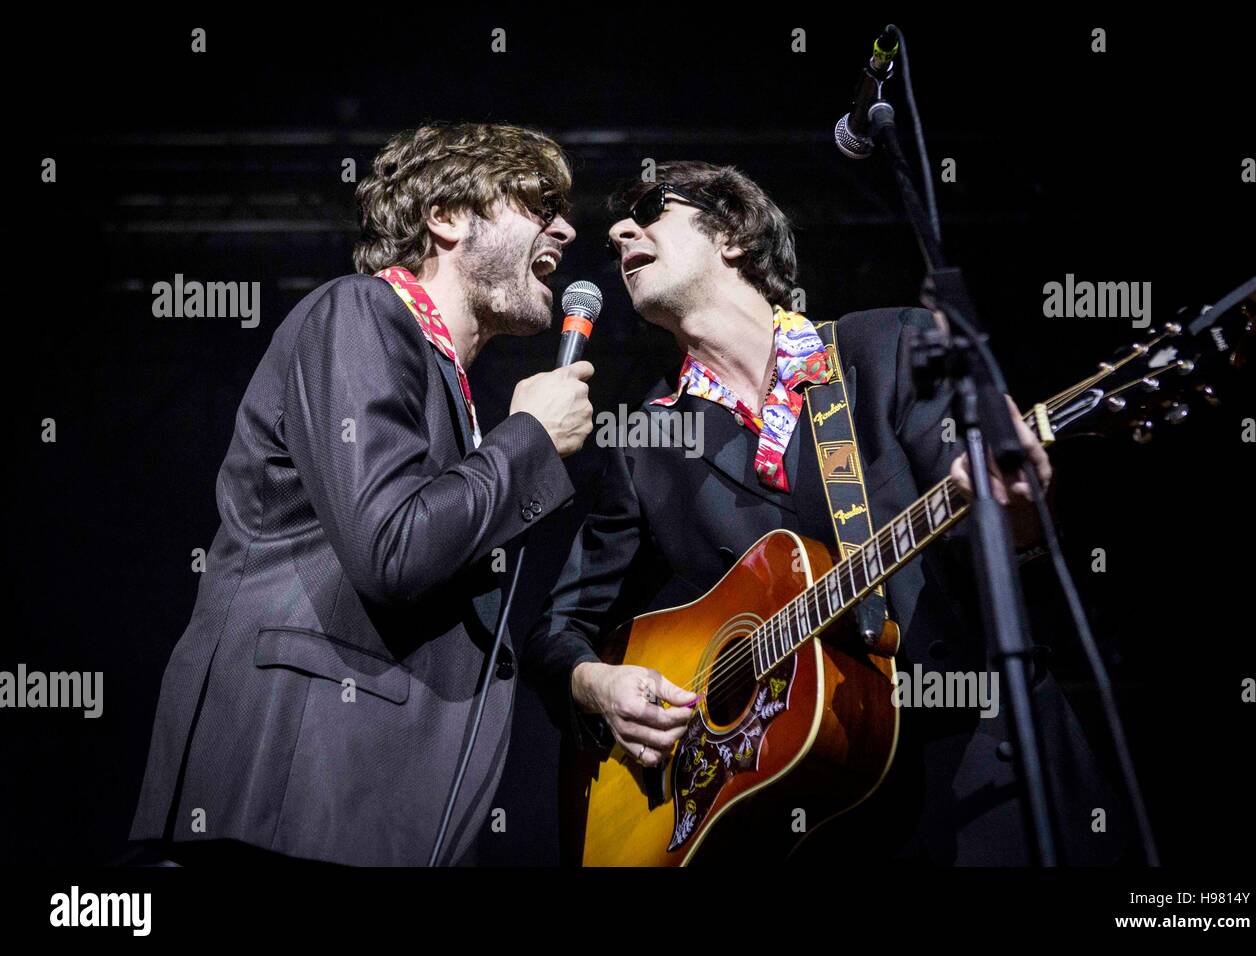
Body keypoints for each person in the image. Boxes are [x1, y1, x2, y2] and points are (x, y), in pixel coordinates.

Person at [524, 161, 1130, 865]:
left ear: (735, 236)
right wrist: (595, 685)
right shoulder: (647, 446)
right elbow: (558, 628)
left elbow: (996, 538)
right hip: (811, 818)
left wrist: (1019, 508)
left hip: (981, 769)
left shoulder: (889, 348)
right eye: (619, 227)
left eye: (653, 208)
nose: (622, 231)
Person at [130, 122, 593, 866]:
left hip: (361, 813)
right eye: (539, 203)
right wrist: (528, 436)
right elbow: (394, 548)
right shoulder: (361, 313)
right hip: (285, 803)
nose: (567, 228)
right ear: (445, 216)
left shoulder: (442, 376)